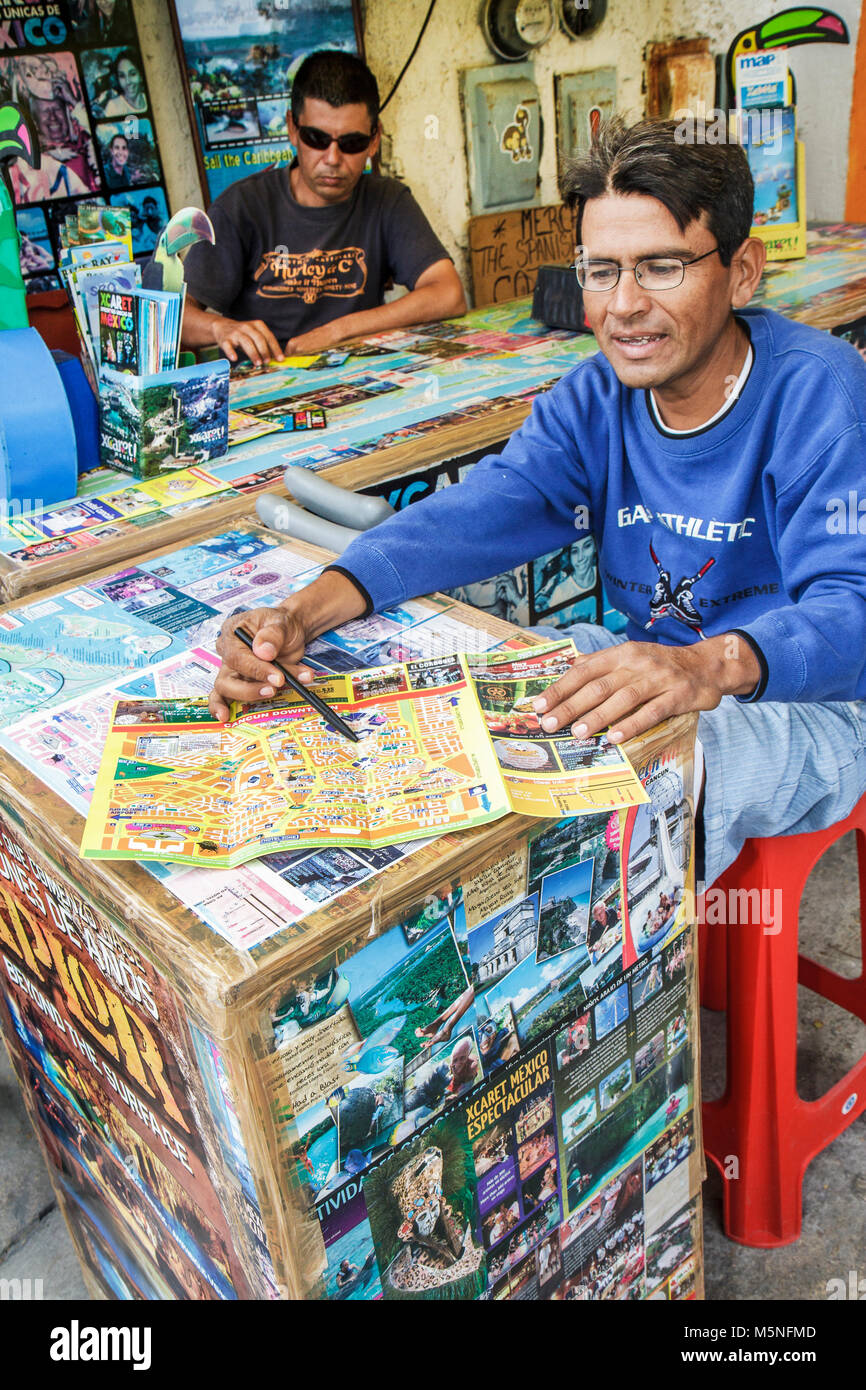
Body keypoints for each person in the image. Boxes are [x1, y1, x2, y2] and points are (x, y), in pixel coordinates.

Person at [208, 116, 866, 891]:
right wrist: (303, 613)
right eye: (600, 270)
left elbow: (854, 608)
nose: (622, 306)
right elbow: (485, 508)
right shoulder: (595, 398)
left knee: (642, 772)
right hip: (658, 664)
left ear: (742, 271)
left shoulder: (820, 394)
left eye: (659, 268)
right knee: (466, 696)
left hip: (821, 700)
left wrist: (710, 663)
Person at [182, 49, 465, 365]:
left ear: (374, 140)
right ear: (292, 128)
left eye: (351, 143)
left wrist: (339, 331)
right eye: (316, 138)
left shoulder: (388, 200)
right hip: (265, 391)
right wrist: (220, 328)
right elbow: (173, 320)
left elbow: (448, 294)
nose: (332, 159)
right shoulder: (242, 206)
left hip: (361, 380)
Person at [102, 50, 147, 117]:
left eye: (132, 74)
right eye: (122, 76)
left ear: (141, 76)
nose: (128, 81)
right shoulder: (113, 107)